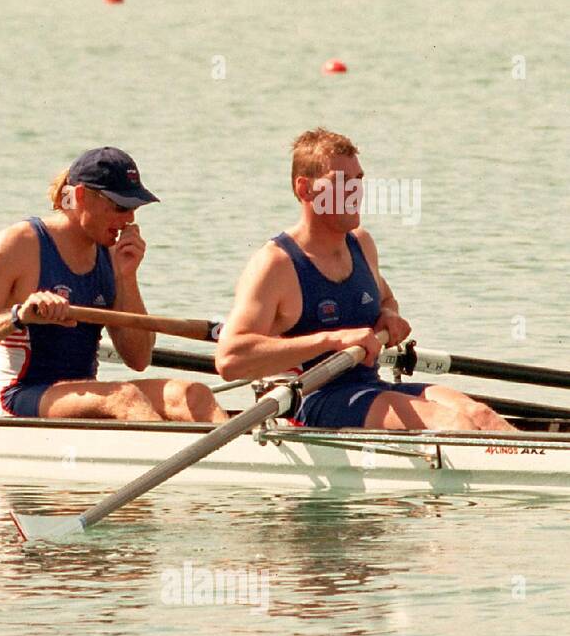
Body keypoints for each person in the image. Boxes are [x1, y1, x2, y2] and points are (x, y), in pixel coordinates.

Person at [215, 127, 513, 431]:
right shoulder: (276, 263)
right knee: (450, 422)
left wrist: (388, 315)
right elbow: (229, 359)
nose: (355, 192)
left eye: (358, 180)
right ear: (305, 190)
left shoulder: (361, 244)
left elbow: (385, 297)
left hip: (369, 389)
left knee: (480, 416)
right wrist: (333, 340)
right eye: (341, 182)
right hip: (312, 399)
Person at [0, 147, 227, 422]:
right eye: (119, 206)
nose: (129, 219)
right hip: (21, 395)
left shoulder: (111, 253)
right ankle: (175, 461)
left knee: (193, 395)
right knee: (125, 397)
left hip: (85, 396)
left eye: (134, 207)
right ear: (80, 196)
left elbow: (138, 358)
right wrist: (18, 317)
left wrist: (126, 277)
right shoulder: (19, 244)